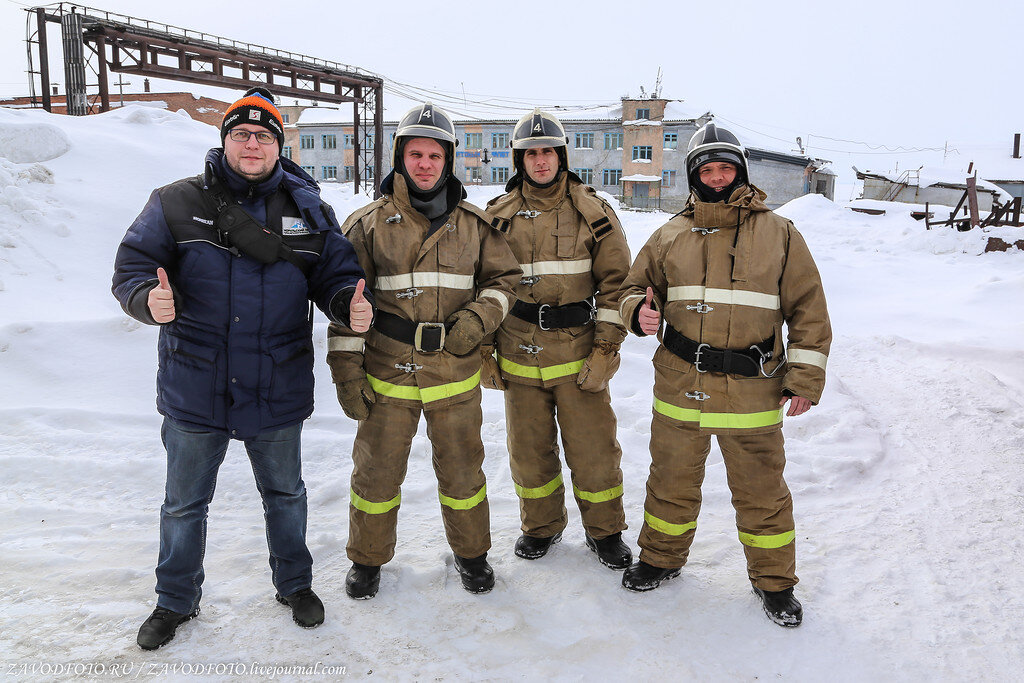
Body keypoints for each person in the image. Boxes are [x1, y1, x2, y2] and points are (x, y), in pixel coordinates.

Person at [112, 87, 372, 649]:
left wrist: (346, 301)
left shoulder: (309, 211)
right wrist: (143, 299)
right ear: (224, 140)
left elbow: (334, 275)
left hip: (276, 379)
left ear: (279, 145)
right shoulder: (175, 202)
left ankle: (295, 584)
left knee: (286, 494)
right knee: (184, 504)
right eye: (241, 133)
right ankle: (174, 601)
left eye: (263, 135)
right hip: (195, 381)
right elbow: (133, 265)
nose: (252, 143)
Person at [617, 122, 831, 627]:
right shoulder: (669, 235)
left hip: (753, 392)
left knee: (762, 492)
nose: (716, 178)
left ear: (741, 172)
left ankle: (775, 582)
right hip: (679, 386)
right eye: (706, 169)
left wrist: (804, 378)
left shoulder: (780, 234)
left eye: (726, 168)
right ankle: (660, 559)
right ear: (694, 176)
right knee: (670, 482)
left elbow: (809, 312)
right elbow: (631, 288)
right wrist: (636, 313)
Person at [326, 102, 520, 598]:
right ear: (399, 157)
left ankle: (472, 555)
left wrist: (478, 318)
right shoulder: (366, 225)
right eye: (416, 154)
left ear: (449, 160)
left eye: (435, 155)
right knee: (375, 472)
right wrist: (346, 372)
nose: (425, 164)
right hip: (387, 371)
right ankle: (367, 560)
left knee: (463, 471)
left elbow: (504, 282)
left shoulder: (475, 226)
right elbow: (348, 304)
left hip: (453, 374)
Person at [482, 109, 632, 569]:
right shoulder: (497, 216)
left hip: (578, 352)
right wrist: (486, 348)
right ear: (519, 159)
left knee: (593, 451)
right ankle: (540, 525)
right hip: (517, 349)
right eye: (531, 153)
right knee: (528, 451)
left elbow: (618, 284)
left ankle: (605, 531)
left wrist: (607, 348)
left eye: (547, 151)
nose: (540, 160)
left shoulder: (593, 211)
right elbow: (482, 285)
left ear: (561, 155)